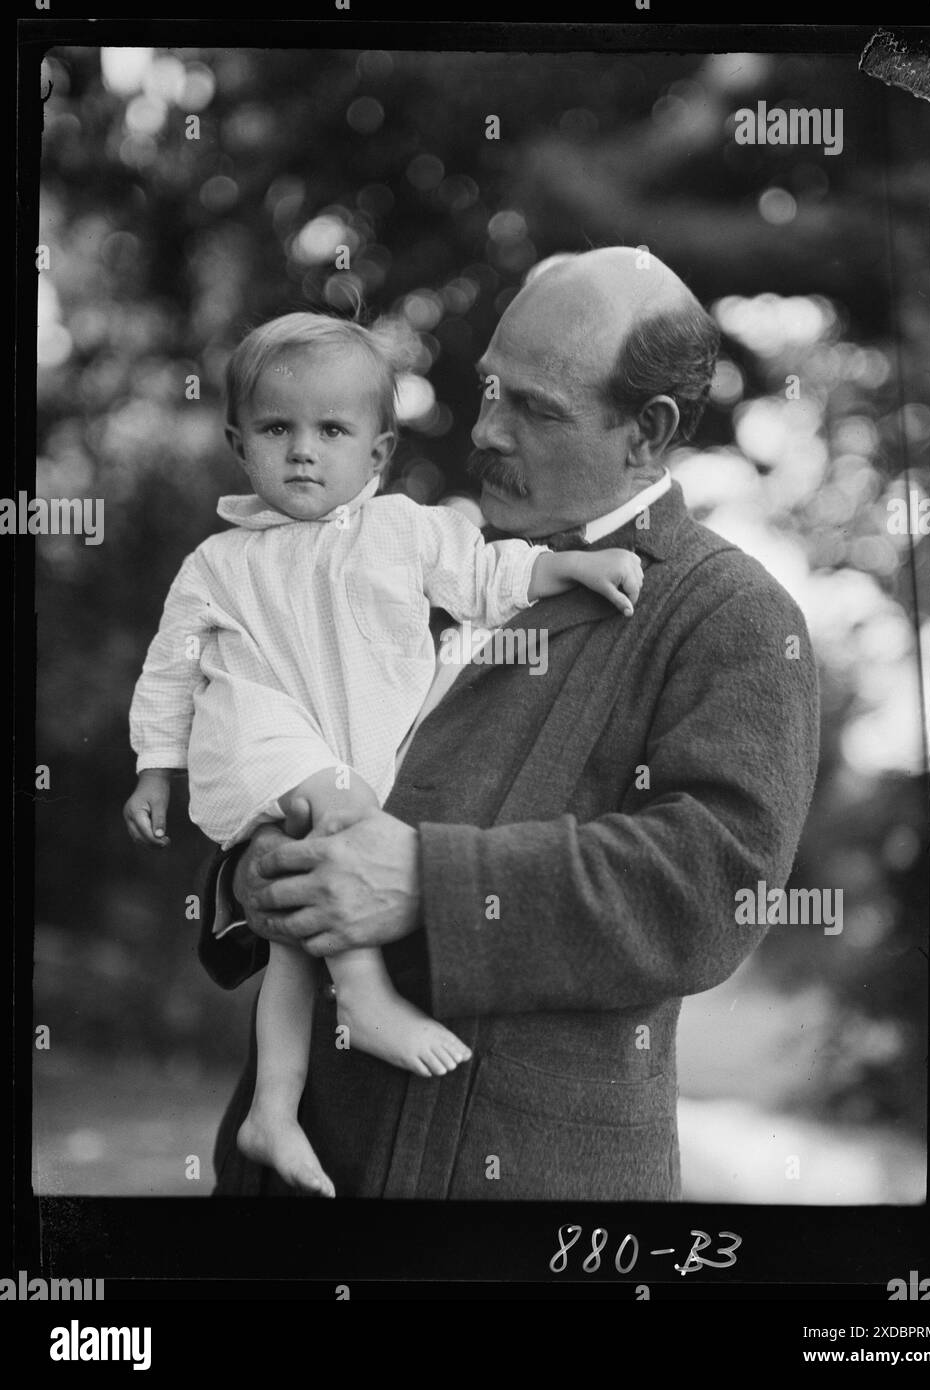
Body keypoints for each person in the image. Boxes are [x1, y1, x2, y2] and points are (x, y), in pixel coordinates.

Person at [200, 246, 821, 1201]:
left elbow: (713, 886)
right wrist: (250, 871)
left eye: (533, 408)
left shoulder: (732, 615)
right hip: (290, 1177)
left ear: (647, 431)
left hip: (526, 1203)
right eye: (492, 389)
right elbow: (260, 725)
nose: (487, 428)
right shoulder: (411, 556)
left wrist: (428, 886)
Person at [124, 311, 644, 1196]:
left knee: (298, 933)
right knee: (340, 824)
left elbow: (486, 578)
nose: (301, 452)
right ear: (237, 444)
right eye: (276, 429)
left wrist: (564, 571)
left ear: (376, 452)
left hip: (350, 761)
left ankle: (273, 1112)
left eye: (332, 431)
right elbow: (171, 668)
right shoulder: (217, 563)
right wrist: (154, 768)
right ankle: (365, 1002)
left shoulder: (405, 531)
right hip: (263, 739)